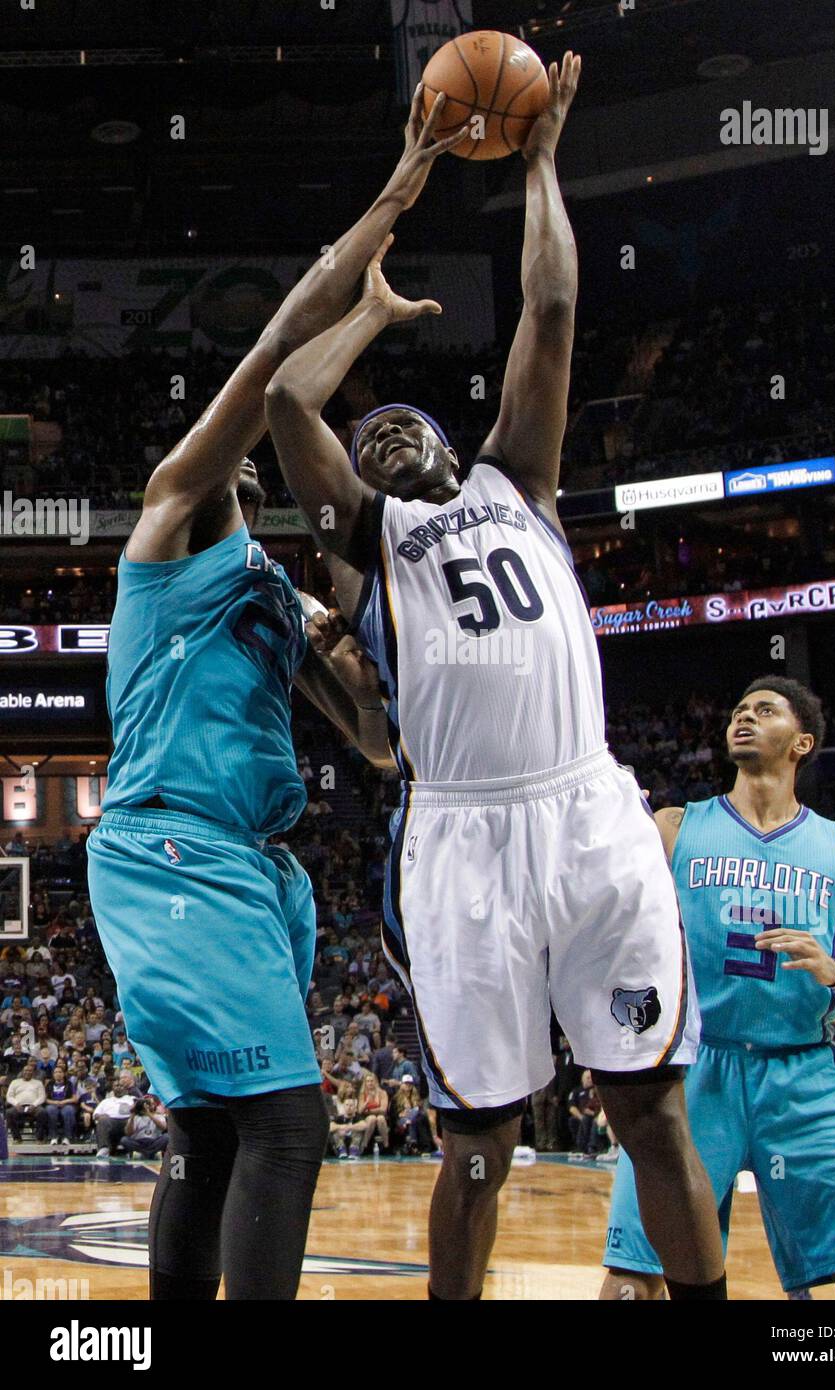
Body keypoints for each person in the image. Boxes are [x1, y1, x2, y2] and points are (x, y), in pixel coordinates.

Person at [264, 52, 724, 1301]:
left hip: (585, 809)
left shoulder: (520, 480)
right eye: (374, 437)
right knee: (479, 1147)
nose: (391, 429)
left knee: (652, 1115)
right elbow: (287, 407)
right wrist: (376, 276)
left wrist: (542, 167)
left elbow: (554, 313)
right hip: (463, 842)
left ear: (456, 442)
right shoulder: (370, 547)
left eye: (411, 420)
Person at [84, 100, 465, 1301]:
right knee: (289, 1129)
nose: (232, 447)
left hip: (248, 868)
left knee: (208, 1132)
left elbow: (377, 739)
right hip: (173, 850)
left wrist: (362, 663)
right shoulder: (168, 519)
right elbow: (270, 368)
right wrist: (382, 233)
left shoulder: (268, 589)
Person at [602, 678, 835, 1300]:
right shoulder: (670, 829)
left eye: (764, 710)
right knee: (633, 1284)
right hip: (694, 1073)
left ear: (801, 742)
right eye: (739, 710)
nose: (744, 717)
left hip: (803, 1076)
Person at [4, 1061, 47, 1141]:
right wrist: (16, 1104)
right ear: (22, 1072)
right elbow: (9, 1096)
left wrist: (34, 1105)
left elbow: (42, 1097)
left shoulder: (38, 1083)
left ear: (33, 1073)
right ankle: (17, 1138)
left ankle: (39, 1138)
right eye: (26, 1070)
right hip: (18, 1106)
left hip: (34, 1107)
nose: (27, 1072)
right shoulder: (15, 1082)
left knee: (42, 1112)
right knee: (9, 1113)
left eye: (30, 1070)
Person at [43, 1064, 77, 1145]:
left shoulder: (69, 1084)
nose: (58, 1074)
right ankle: (53, 1137)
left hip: (66, 1104)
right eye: (55, 1072)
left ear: (64, 1073)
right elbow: (45, 1099)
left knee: (68, 1111)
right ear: (53, 1074)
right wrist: (55, 1102)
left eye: (60, 1072)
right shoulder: (49, 1084)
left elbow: (75, 1098)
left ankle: (67, 1137)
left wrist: (64, 1102)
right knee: (50, 1110)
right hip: (53, 1104)